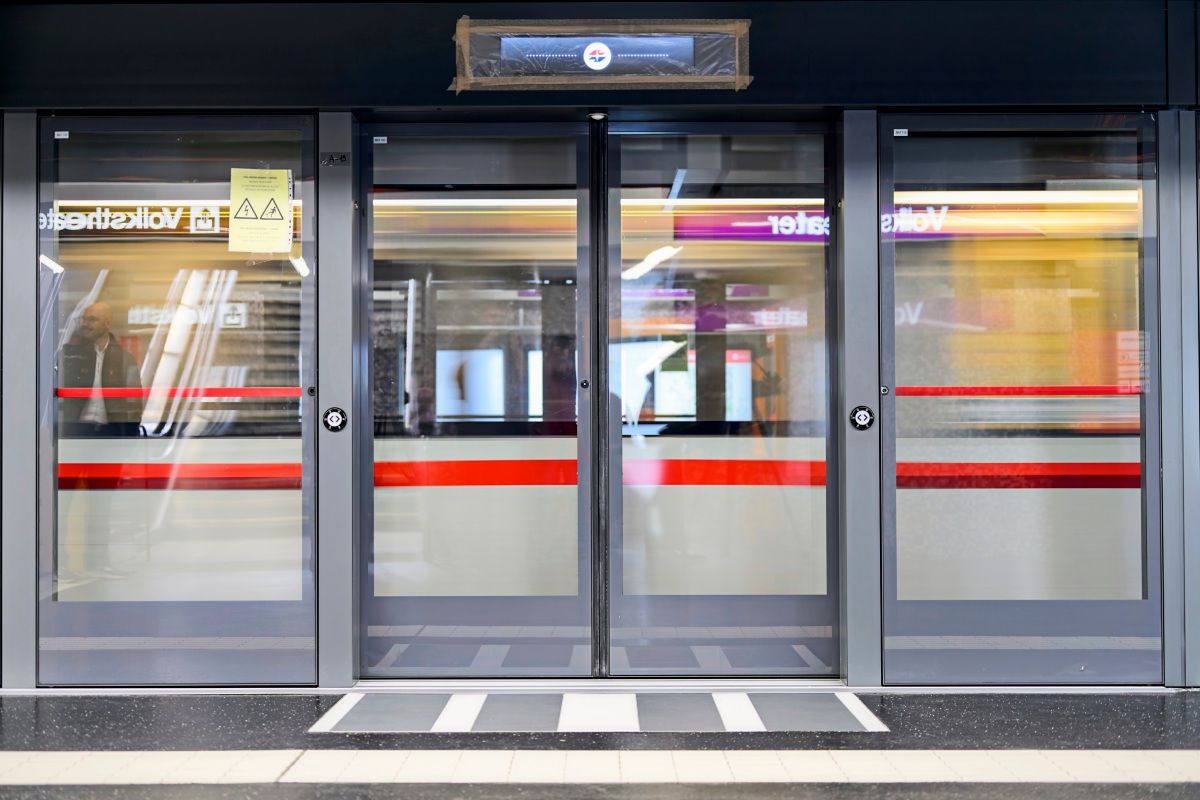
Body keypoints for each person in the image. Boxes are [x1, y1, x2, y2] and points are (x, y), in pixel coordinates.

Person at [60, 301, 144, 437]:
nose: (85, 324)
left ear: (108, 323)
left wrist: (130, 434)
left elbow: (134, 402)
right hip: (77, 432)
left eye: (92, 320)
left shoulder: (124, 359)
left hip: (112, 434)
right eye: (83, 319)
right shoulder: (71, 354)